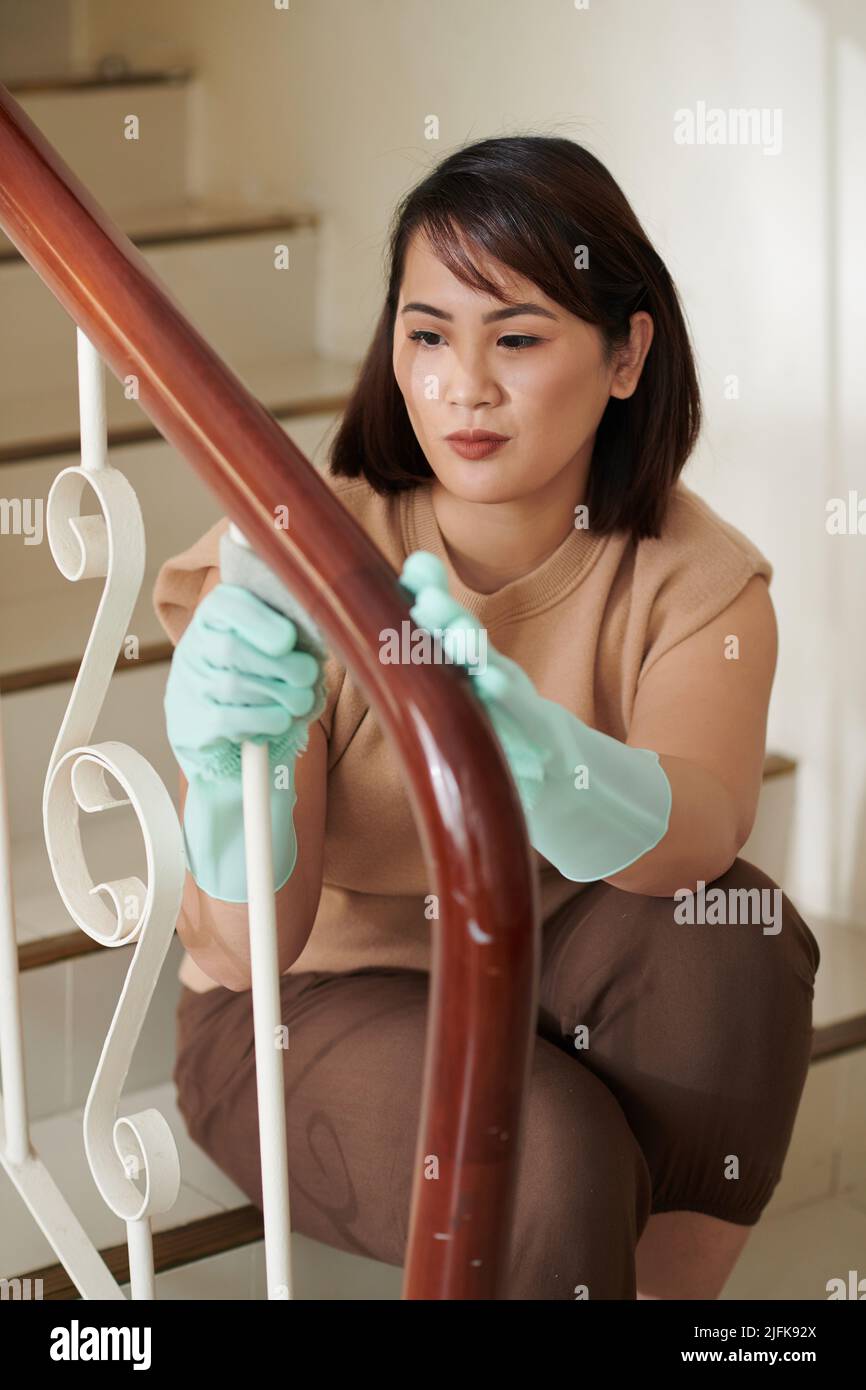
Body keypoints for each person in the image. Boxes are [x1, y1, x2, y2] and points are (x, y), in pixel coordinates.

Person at [153, 135, 820, 1300]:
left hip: (544, 960)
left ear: (625, 355)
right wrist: (234, 766)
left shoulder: (695, 577)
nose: (462, 386)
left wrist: (532, 752)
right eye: (426, 336)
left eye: (514, 337)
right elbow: (240, 941)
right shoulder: (307, 548)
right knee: (542, 1151)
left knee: (738, 934)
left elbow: (700, 833)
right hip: (301, 1011)